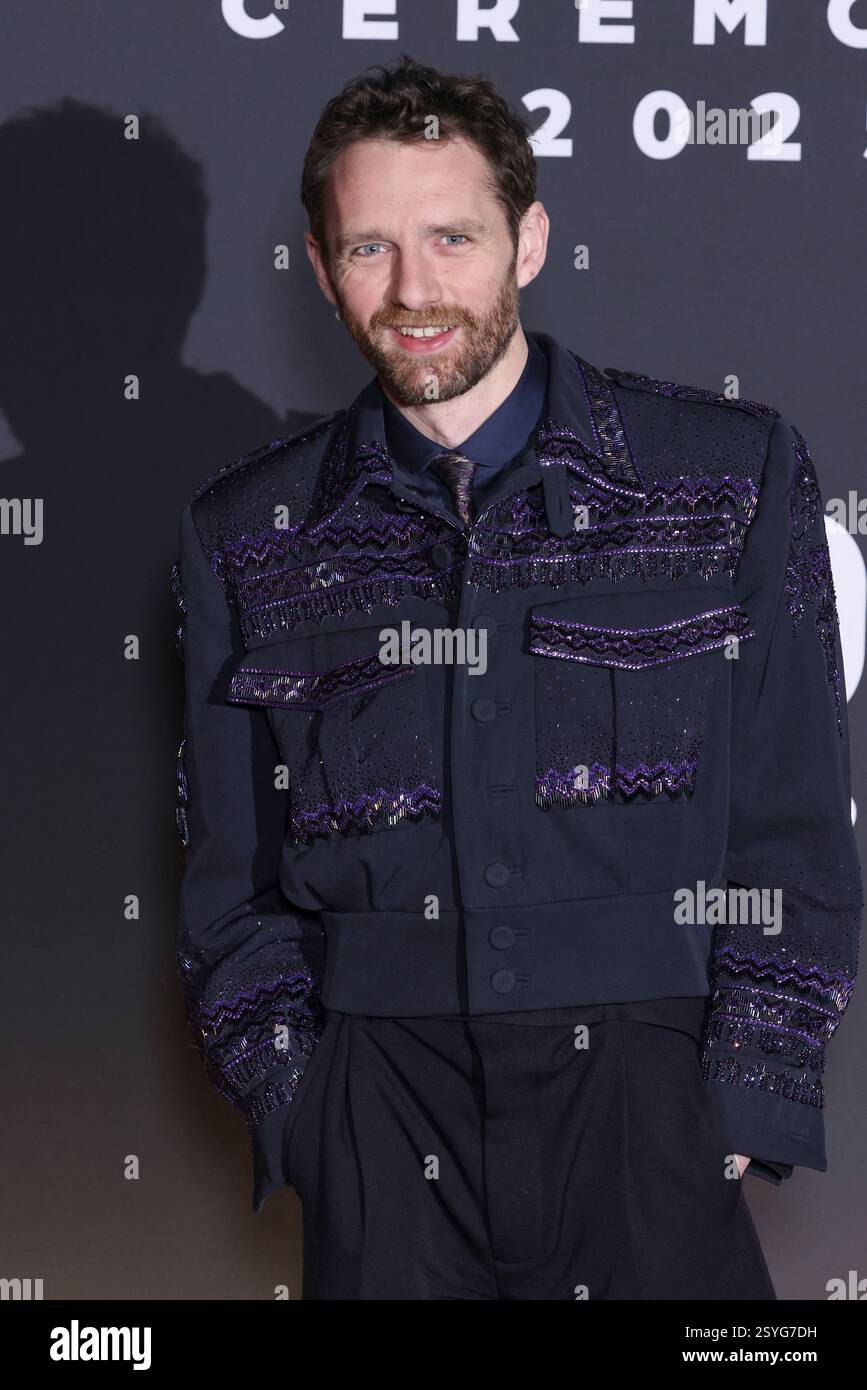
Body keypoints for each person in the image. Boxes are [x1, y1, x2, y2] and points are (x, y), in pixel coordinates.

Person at [172, 56, 863, 1300]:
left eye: (452, 236)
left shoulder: (728, 473)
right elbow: (232, 885)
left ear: (529, 242)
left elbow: (795, 829)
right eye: (370, 248)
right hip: (379, 1115)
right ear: (324, 273)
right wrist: (305, 1108)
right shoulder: (248, 531)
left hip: (652, 1106)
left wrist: (745, 1096)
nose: (416, 289)